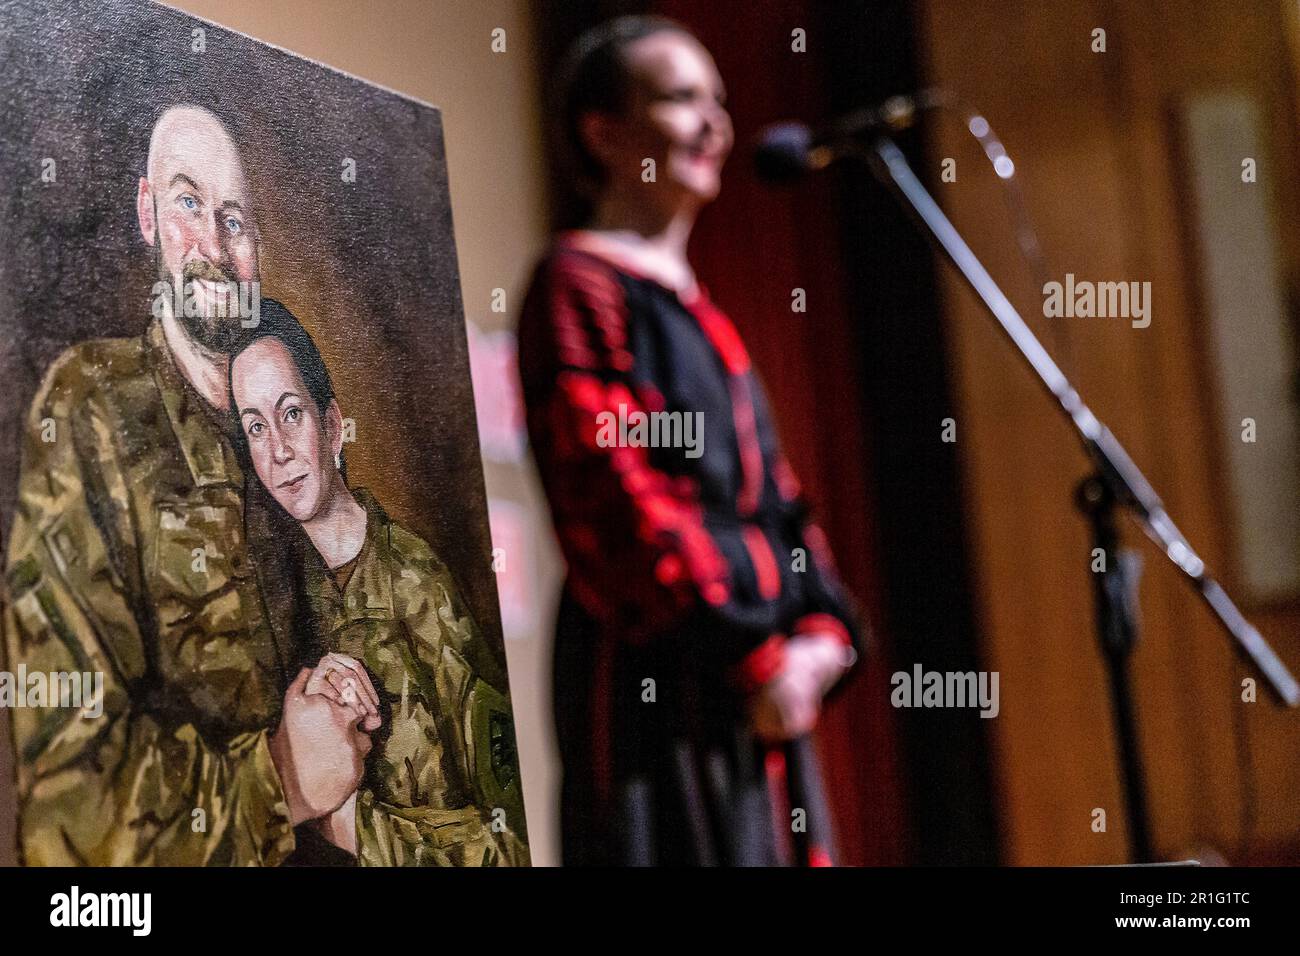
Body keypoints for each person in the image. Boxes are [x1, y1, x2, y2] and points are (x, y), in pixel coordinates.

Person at [518, 16, 867, 866]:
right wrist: (756, 654)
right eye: (681, 98)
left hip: (756, 681)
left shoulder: (704, 312)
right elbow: (615, 490)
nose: (715, 122)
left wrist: (822, 629)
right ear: (603, 133)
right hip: (658, 680)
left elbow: (772, 494)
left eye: (720, 100)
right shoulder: (577, 284)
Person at [1, 105, 371, 864]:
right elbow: (71, 808)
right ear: (147, 214)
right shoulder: (92, 405)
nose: (214, 247)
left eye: (234, 221)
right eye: (188, 204)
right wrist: (284, 780)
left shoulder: (280, 412)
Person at [229, 300, 528, 866]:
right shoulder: (270, 596)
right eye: (256, 428)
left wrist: (350, 823)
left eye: (291, 413)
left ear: (332, 426)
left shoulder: (418, 584)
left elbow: (510, 840)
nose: (279, 451)